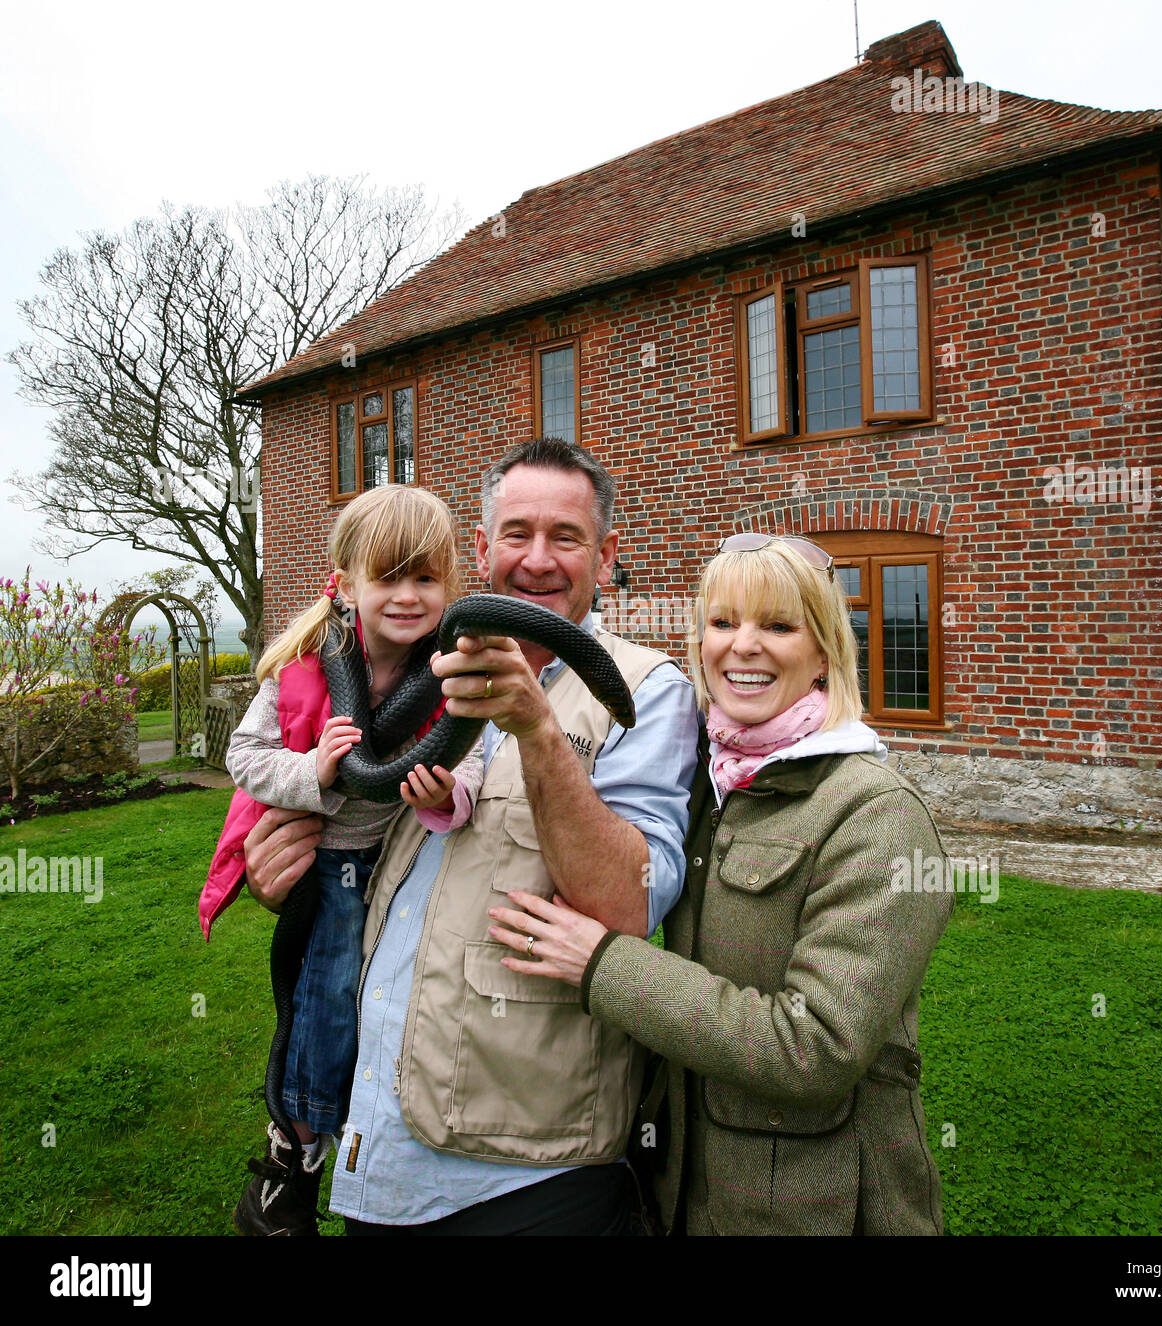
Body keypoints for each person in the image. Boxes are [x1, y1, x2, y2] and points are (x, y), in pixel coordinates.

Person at [241, 438, 700, 1235]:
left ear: (607, 554)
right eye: (517, 534)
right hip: (378, 1145)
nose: (539, 560)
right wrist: (279, 864)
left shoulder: (648, 690)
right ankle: (294, 1152)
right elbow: (343, 812)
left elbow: (628, 903)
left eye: (567, 537)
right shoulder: (413, 667)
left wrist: (537, 729)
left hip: (527, 1174)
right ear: (483, 551)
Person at [491, 533, 954, 1235]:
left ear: (825, 651)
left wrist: (604, 966)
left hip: (814, 1211)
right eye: (722, 622)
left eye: (777, 625)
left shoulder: (876, 816)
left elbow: (816, 1047)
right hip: (684, 1195)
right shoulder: (713, 783)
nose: (743, 646)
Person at [199, 484, 484, 1236]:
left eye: (425, 579)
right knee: (324, 998)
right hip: (324, 862)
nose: (407, 596)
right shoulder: (306, 664)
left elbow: (475, 759)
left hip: (395, 858)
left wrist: (446, 791)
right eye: (387, 578)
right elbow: (243, 756)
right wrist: (316, 773)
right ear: (347, 580)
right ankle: (293, 1154)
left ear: (449, 587)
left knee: (387, 1004)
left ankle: (371, 1135)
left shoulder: (450, 673)